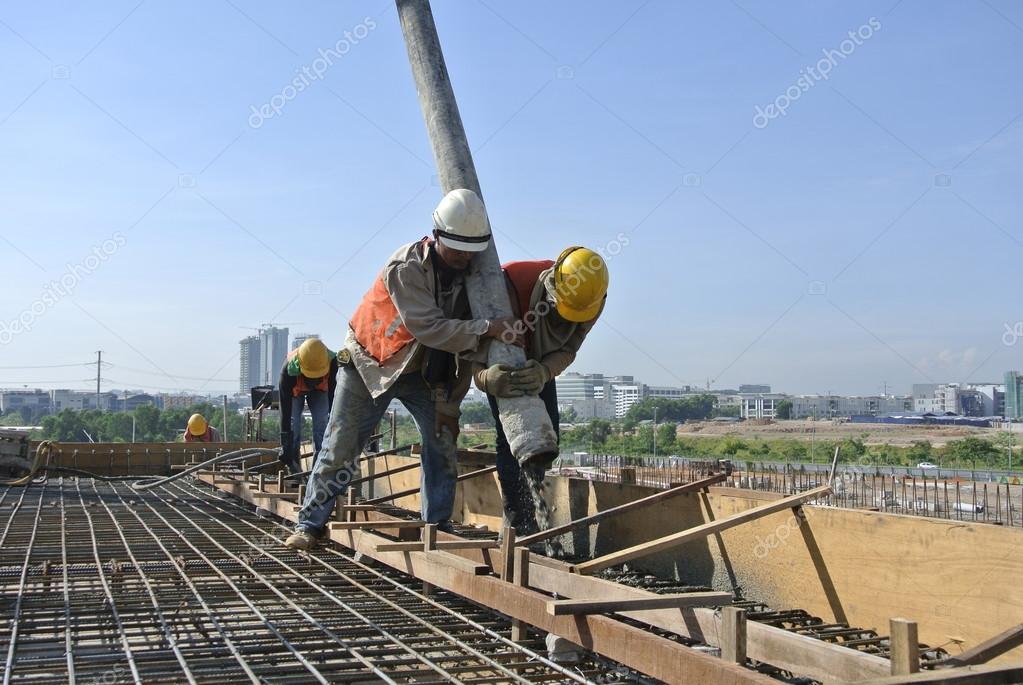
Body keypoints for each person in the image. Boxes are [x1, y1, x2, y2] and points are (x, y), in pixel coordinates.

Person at [286, 188, 521, 550]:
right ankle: (310, 524)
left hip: (423, 373)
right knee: (340, 446)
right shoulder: (406, 267)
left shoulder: (474, 277)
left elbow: (466, 354)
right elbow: (431, 328)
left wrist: (450, 403)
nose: (462, 258)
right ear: (438, 235)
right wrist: (488, 327)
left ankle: (437, 527)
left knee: (442, 440)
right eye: (457, 250)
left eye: (470, 252)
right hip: (371, 364)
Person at [474, 246, 608, 533]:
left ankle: (532, 512)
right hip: (502, 363)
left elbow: (570, 347)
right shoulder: (509, 280)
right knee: (510, 439)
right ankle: (519, 523)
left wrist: (545, 371)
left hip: (541, 362)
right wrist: (484, 378)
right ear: (552, 285)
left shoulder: (592, 297)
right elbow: (471, 339)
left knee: (548, 438)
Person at [278, 338, 339, 473]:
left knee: (322, 426)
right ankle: (294, 470)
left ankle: (318, 472)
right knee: (294, 426)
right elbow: (285, 411)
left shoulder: (332, 362)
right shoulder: (288, 370)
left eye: (317, 376)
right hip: (296, 392)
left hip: (321, 391)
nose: (313, 380)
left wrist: (334, 428)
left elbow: (333, 399)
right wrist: (285, 443)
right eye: (310, 376)